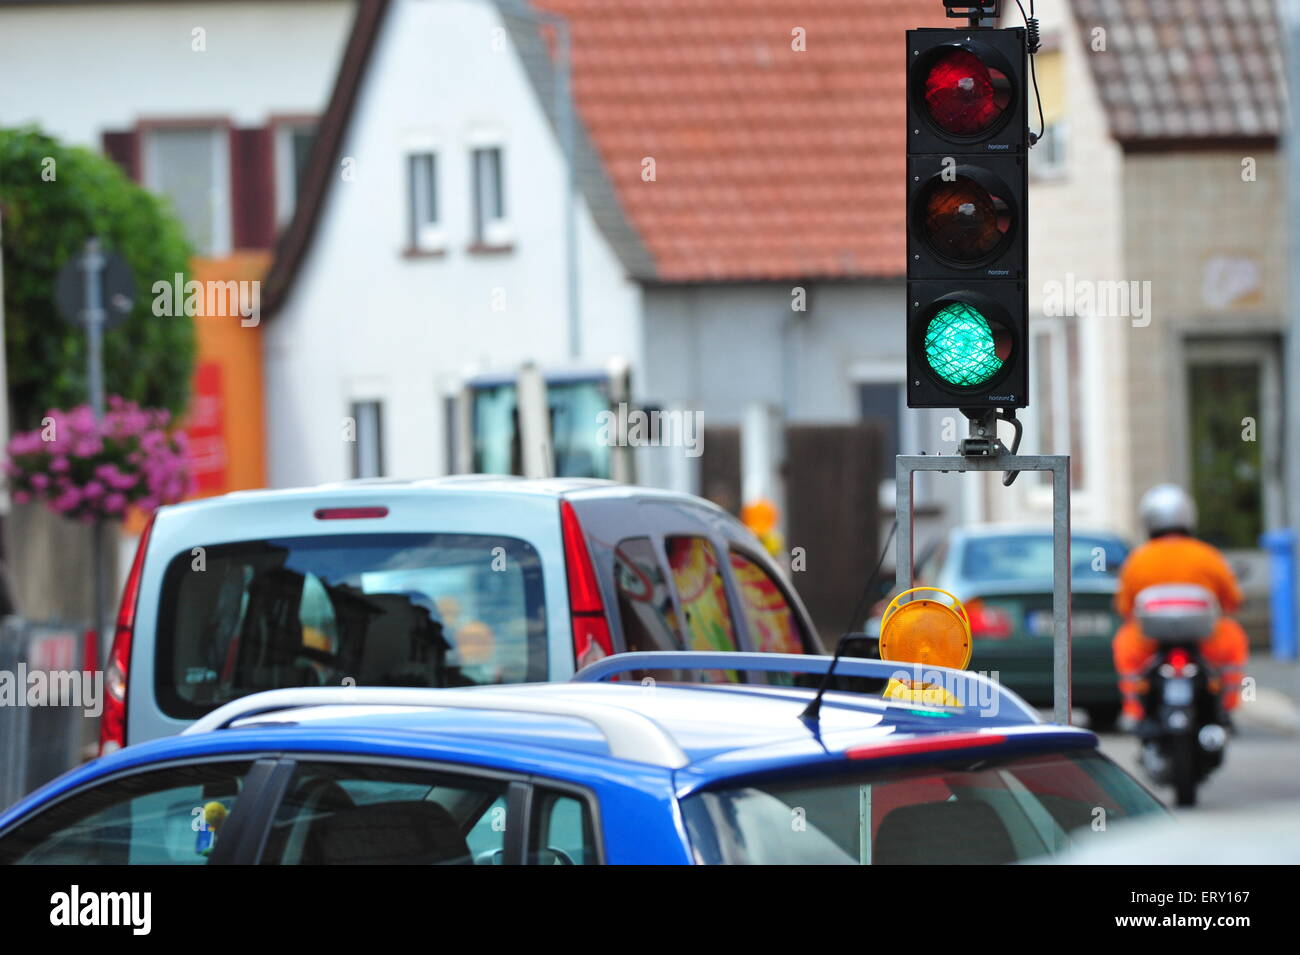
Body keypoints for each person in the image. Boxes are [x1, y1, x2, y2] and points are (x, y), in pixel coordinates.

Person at [1112, 485, 1248, 722]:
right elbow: (1232, 601)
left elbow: (1125, 608)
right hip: (1205, 642)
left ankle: (1135, 711)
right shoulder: (1207, 555)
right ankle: (1226, 707)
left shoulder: (1138, 559)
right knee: (1234, 636)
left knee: (1124, 642)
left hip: (1150, 644)